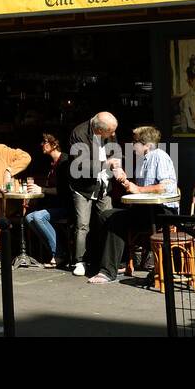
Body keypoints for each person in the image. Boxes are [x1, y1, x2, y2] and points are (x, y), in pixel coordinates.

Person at [89, 126, 178, 285]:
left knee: (117, 220)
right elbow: (140, 190)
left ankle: (108, 271)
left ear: (147, 145)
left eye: (135, 142)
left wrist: (138, 189)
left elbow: (167, 187)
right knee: (105, 215)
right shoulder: (142, 161)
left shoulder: (160, 156)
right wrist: (127, 183)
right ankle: (118, 261)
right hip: (145, 209)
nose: (132, 145)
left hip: (162, 211)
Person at [68, 111, 121, 276]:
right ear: (99, 130)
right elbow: (80, 165)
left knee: (109, 220)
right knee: (82, 225)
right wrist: (106, 164)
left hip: (103, 184)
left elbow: (115, 153)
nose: (113, 135)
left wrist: (118, 168)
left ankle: (107, 261)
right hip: (83, 187)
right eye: (110, 132)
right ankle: (79, 261)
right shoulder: (79, 134)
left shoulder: (110, 132)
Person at [24, 133, 72, 266]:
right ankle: (57, 250)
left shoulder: (65, 162)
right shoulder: (52, 164)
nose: (42, 145)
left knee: (38, 217)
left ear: (54, 144)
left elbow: (64, 190)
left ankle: (59, 254)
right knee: (29, 218)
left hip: (66, 206)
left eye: (45, 142)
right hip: (54, 205)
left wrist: (42, 190)